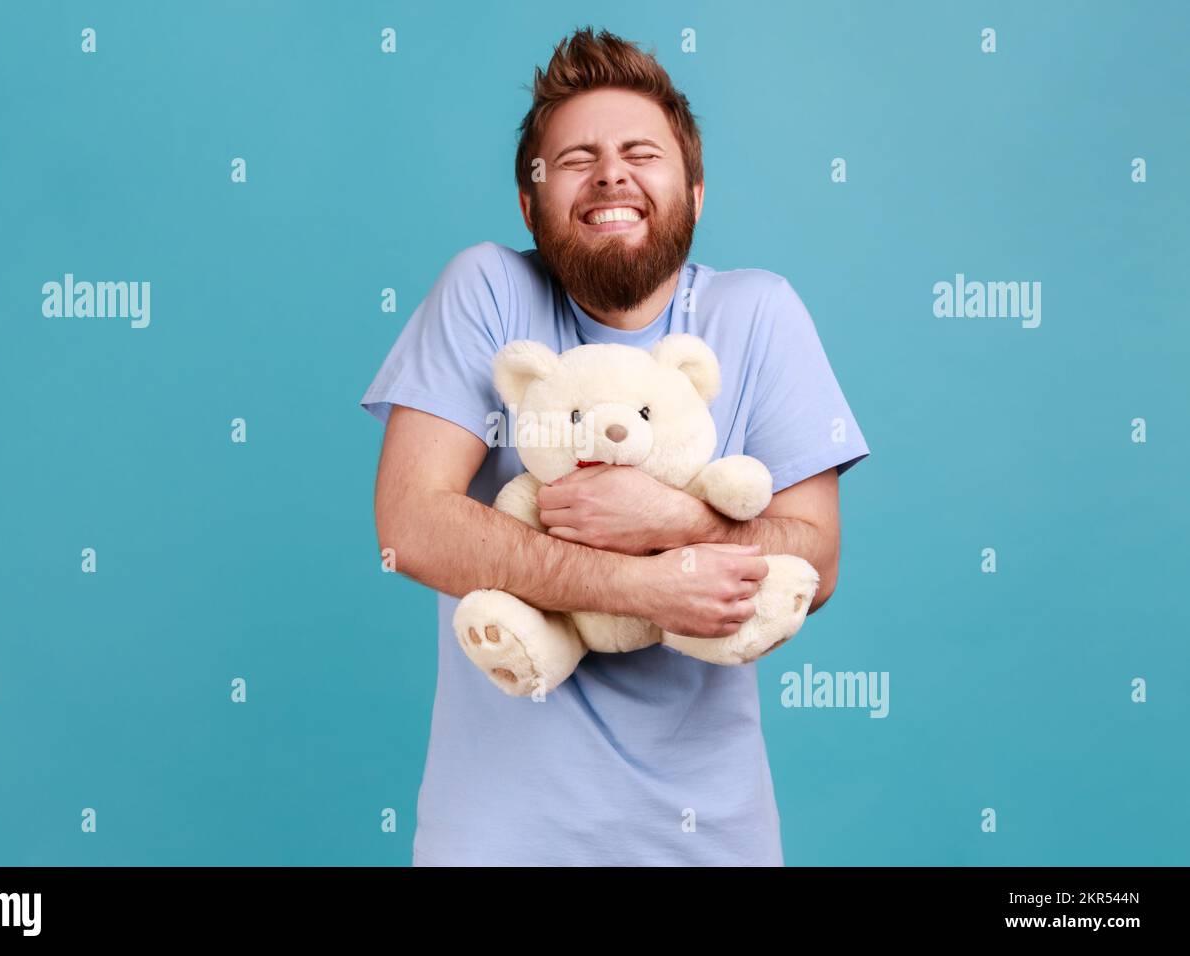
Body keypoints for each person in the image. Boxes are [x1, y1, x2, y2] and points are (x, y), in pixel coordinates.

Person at [359, 27, 870, 866]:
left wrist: (672, 519)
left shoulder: (758, 315)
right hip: (496, 838)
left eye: (642, 152)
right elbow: (409, 525)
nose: (611, 175)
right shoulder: (487, 289)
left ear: (696, 193)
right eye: (574, 160)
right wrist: (644, 583)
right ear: (530, 202)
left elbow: (816, 559)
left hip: (713, 838)